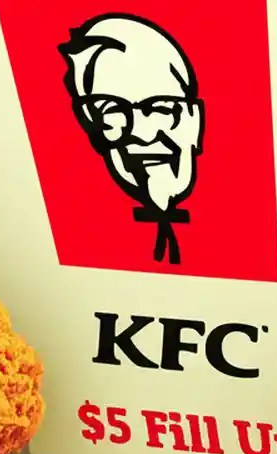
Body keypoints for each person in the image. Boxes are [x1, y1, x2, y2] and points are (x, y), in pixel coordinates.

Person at [60, 14, 204, 266]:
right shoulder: (85, 228)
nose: (142, 134)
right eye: (113, 110)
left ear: (194, 120)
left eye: (161, 108)